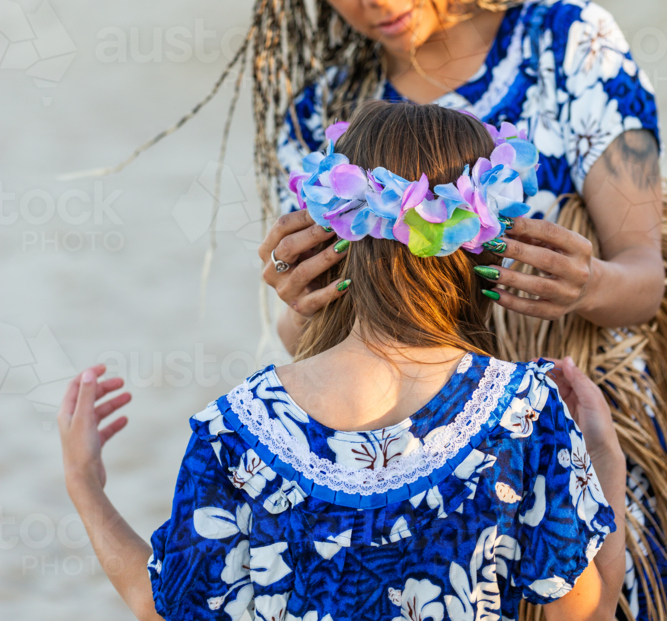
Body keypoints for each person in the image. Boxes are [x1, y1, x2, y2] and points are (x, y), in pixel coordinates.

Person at [59, 103, 627, 620]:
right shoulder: (524, 414)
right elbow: (586, 616)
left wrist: (85, 484)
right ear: (483, 237)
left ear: (335, 232)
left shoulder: (235, 429)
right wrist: (604, 460)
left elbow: (163, 608)